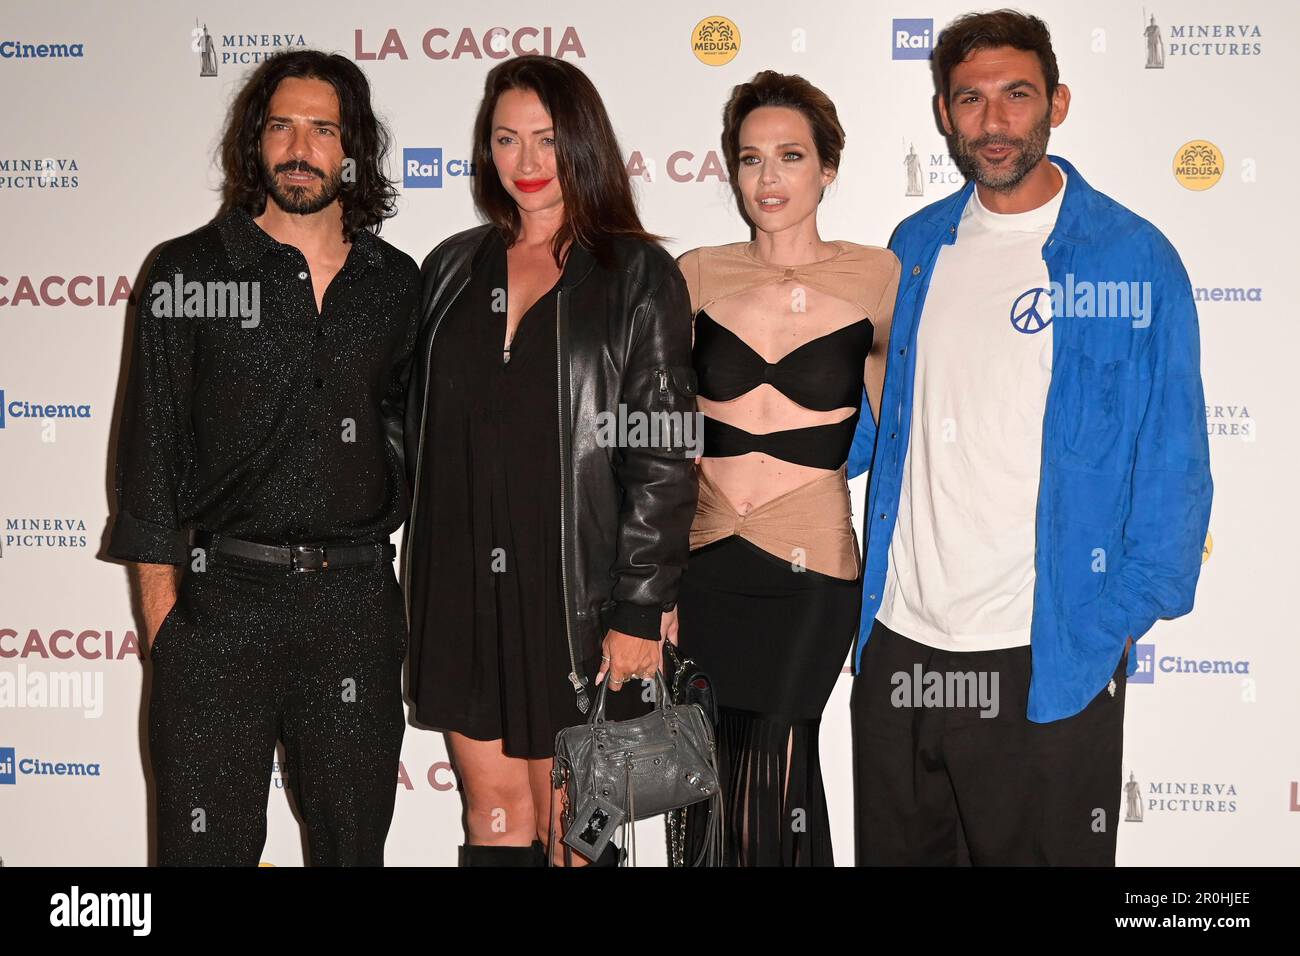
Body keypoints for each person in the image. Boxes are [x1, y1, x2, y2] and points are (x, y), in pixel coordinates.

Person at [847, 10, 1213, 865]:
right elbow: (873, 434)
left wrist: (1106, 627)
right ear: (944, 113)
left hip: (1043, 657)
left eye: (1016, 95)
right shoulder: (915, 248)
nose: (993, 120)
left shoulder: (1131, 257)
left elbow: (1175, 466)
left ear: (1058, 101)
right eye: (970, 99)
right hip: (904, 648)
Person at [104, 50, 419, 865]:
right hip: (218, 610)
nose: (300, 147)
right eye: (281, 125)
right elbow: (150, 455)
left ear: (352, 150)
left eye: (323, 128)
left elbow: (419, 441)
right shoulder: (188, 271)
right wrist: (168, 624)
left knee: (353, 851)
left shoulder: (396, 283)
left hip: (353, 605)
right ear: (255, 141)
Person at [402, 54, 698, 867]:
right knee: (491, 815)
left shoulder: (636, 273)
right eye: (506, 140)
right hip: (463, 589)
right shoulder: (450, 270)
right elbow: (410, 427)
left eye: (547, 139)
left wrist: (640, 609)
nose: (527, 164)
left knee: (577, 832)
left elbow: (666, 453)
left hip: (575, 597)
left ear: (583, 144)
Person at [670, 71, 899, 865]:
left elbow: (901, 438)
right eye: (750, 159)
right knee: (708, 786)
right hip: (703, 564)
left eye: (791, 157)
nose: (768, 180)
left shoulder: (876, 277)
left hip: (811, 569)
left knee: (776, 773)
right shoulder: (697, 272)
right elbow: (663, 440)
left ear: (828, 169)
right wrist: (650, 582)